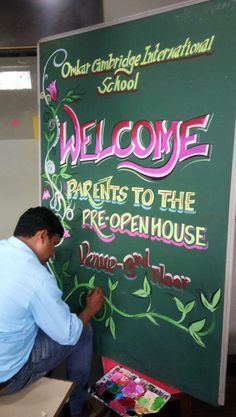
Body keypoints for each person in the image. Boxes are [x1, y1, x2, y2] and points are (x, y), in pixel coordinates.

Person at [0, 206, 104, 417]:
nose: (53, 253)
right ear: (42, 236)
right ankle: (78, 409)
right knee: (82, 332)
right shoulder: (37, 278)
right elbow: (68, 333)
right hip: (8, 377)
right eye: (54, 244)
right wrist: (90, 309)